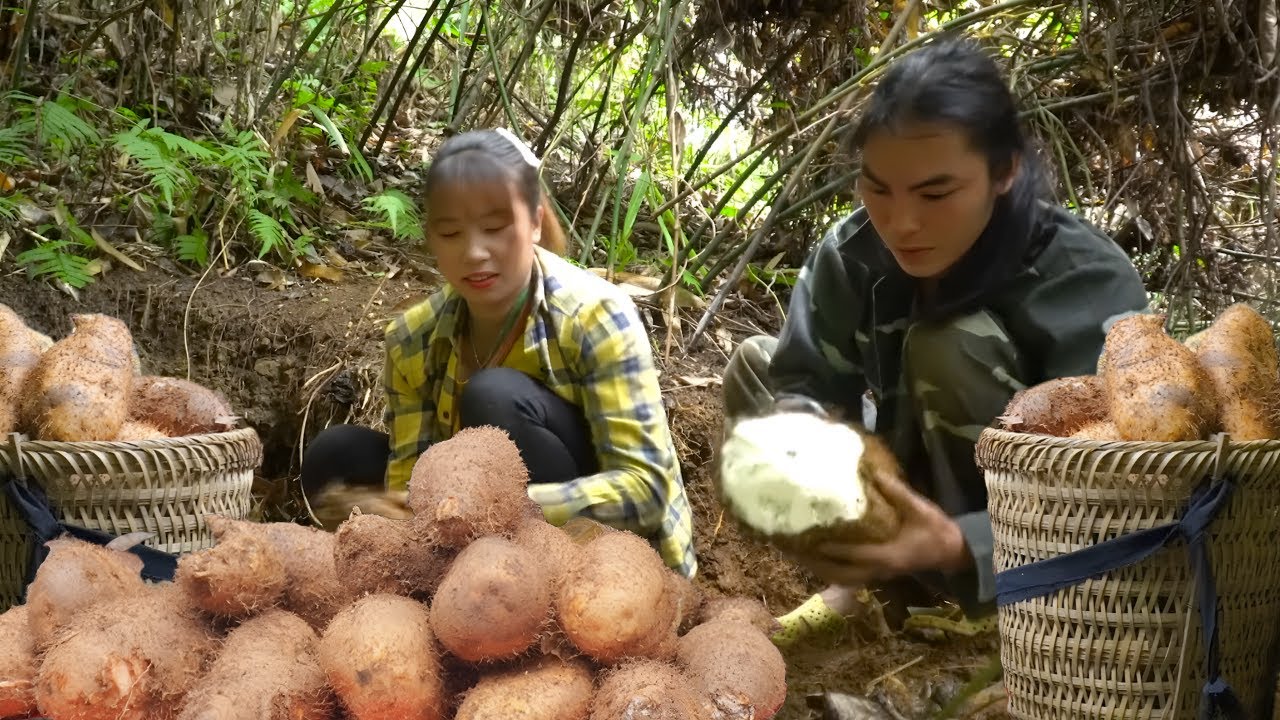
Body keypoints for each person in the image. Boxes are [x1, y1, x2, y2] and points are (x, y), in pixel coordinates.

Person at [721, 36, 1150, 646]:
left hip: (1032, 544)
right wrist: (805, 447)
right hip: (904, 481)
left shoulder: (1084, 281)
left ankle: (982, 614)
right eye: (878, 188)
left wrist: (962, 543)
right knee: (755, 371)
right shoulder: (856, 253)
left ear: (1005, 172)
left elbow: (1124, 493)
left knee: (946, 346)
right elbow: (800, 380)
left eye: (935, 194)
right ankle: (872, 582)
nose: (900, 222)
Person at [300, 128, 697, 579]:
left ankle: (543, 592)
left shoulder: (597, 318)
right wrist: (393, 515)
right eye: (451, 233)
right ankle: (448, 592)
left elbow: (647, 492)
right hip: (462, 533)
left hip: (603, 550)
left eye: (495, 228)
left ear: (534, 222)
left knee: (493, 398)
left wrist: (494, 508)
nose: (474, 252)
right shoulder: (411, 340)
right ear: (431, 238)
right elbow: (411, 473)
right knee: (337, 457)